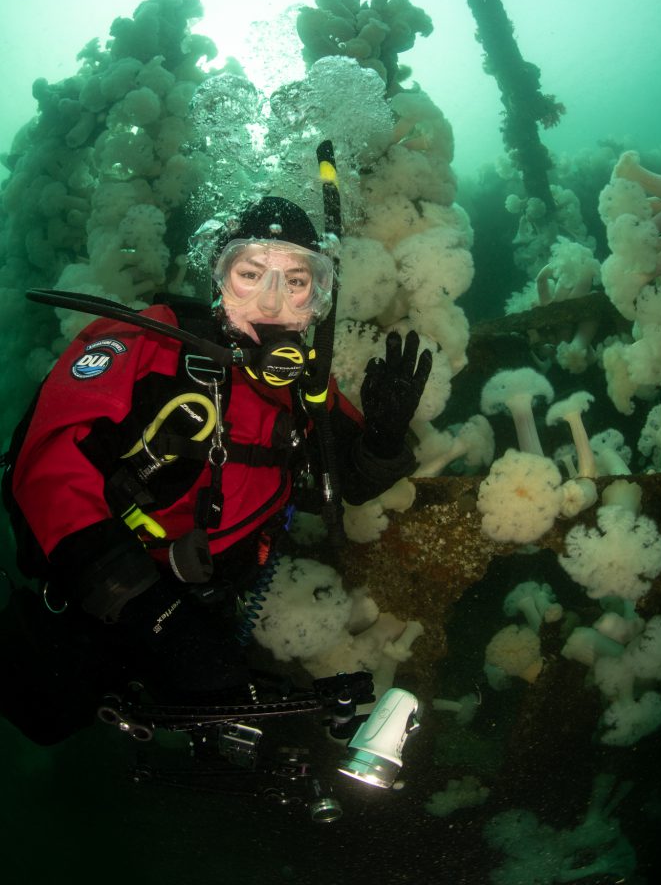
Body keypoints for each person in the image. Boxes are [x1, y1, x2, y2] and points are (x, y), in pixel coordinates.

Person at [8, 196, 432, 712]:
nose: (271, 303)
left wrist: (383, 440)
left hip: (216, 607)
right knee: (49, 712)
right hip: (103, 596)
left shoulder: (305, 385)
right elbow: (47, 468)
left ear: (318, 298)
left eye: (297, 281)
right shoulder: (143, 340)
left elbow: (345, 487)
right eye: (250, 275)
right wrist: (149, 609)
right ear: (218, 277)